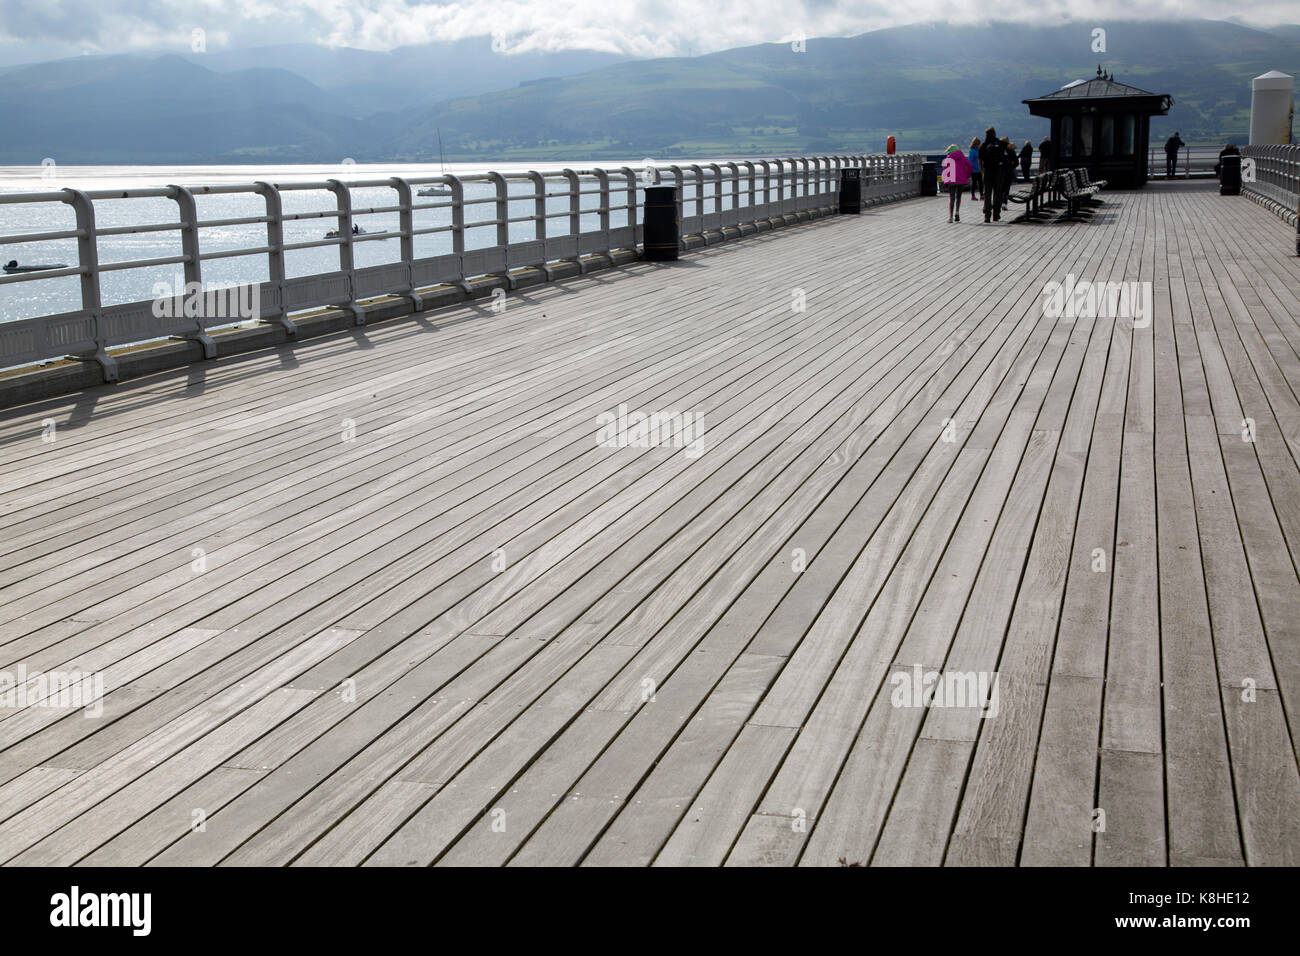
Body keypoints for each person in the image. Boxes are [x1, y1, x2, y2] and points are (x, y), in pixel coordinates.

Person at [978, 127, 1007, 222]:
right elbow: (1011, 148)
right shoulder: (1000, 143)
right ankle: (996, 214)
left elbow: (980, 160)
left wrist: (982, 171)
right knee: (997, 193)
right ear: (995, 133)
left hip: (987, 172)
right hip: (998, 171)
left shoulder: (983, 145)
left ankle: (987, 215)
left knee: (987, 193)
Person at [942, 143, 973, 222]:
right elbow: (970, 166)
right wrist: (966, 176)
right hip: (961, 180)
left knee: (952, 198)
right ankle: (957, 213)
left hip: (951, 180)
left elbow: (944, 171)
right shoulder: (963, 157)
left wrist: (945, 181)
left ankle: (950, 217)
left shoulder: (948, 158)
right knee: (958, 197)